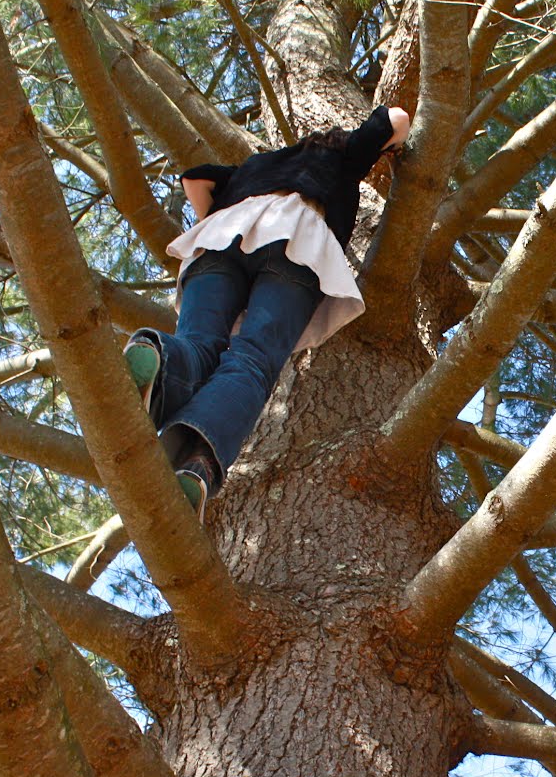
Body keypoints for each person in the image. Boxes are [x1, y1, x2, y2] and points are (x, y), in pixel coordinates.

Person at [125, 104, 412, 518]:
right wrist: (395, 144)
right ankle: (197, 463)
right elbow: (396, 117)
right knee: (253, 359)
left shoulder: (256, 164)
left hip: (222, 236)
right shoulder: (340, 154)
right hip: (297, 242)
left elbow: (195, 180)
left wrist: (223, 219)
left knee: (199, 342)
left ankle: (159, 361)